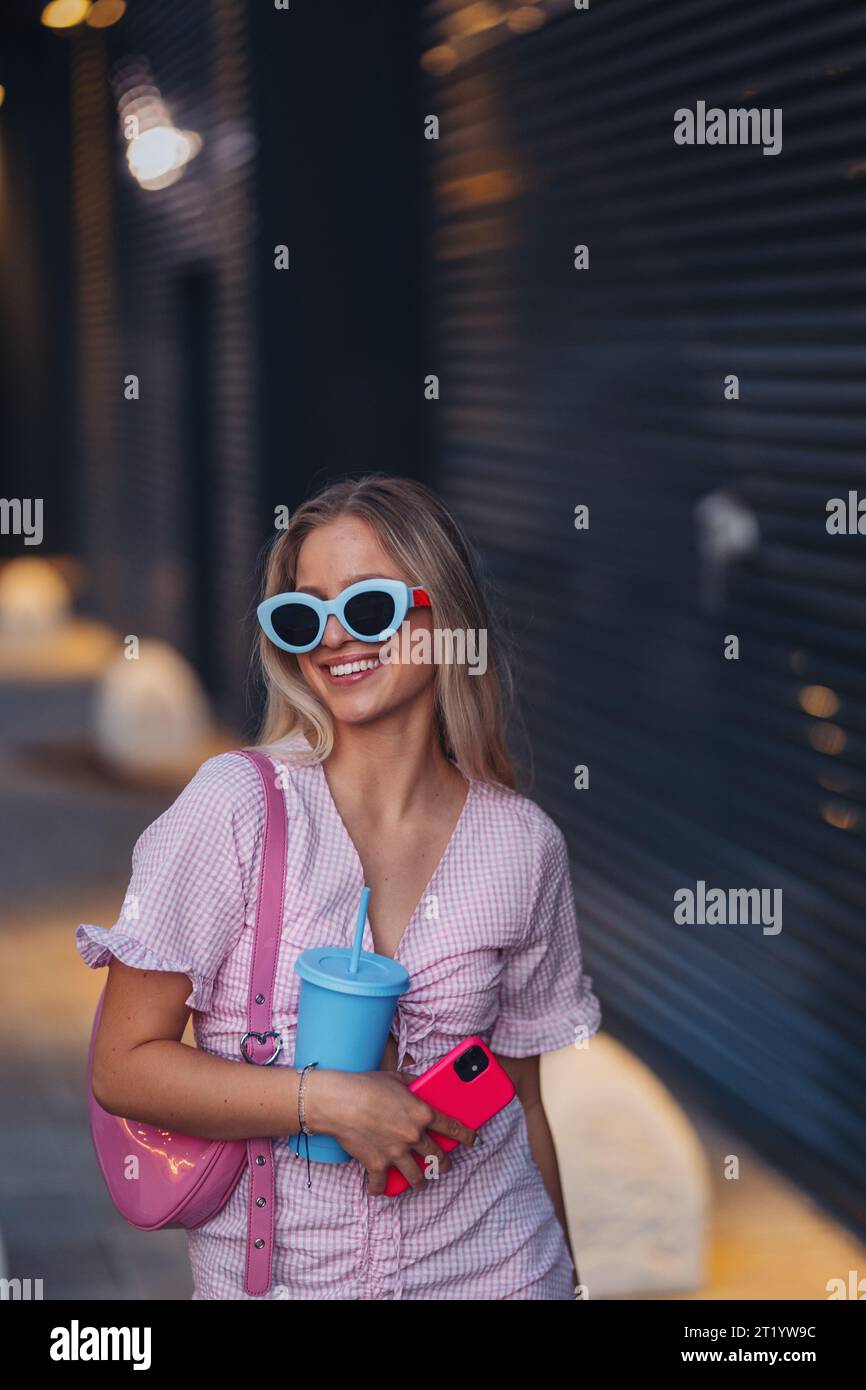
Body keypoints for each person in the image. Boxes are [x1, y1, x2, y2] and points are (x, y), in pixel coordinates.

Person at [77, 474, 602, 1299]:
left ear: (444, 621)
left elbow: (519, 1104)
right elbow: (123, 1067)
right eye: (302, 616)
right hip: (291, 1281)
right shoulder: (236, 809)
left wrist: (569, 1281)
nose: (332, 639)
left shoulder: (521, 845)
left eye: (367, 608)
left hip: (500, 1269)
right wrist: (326, 1102)